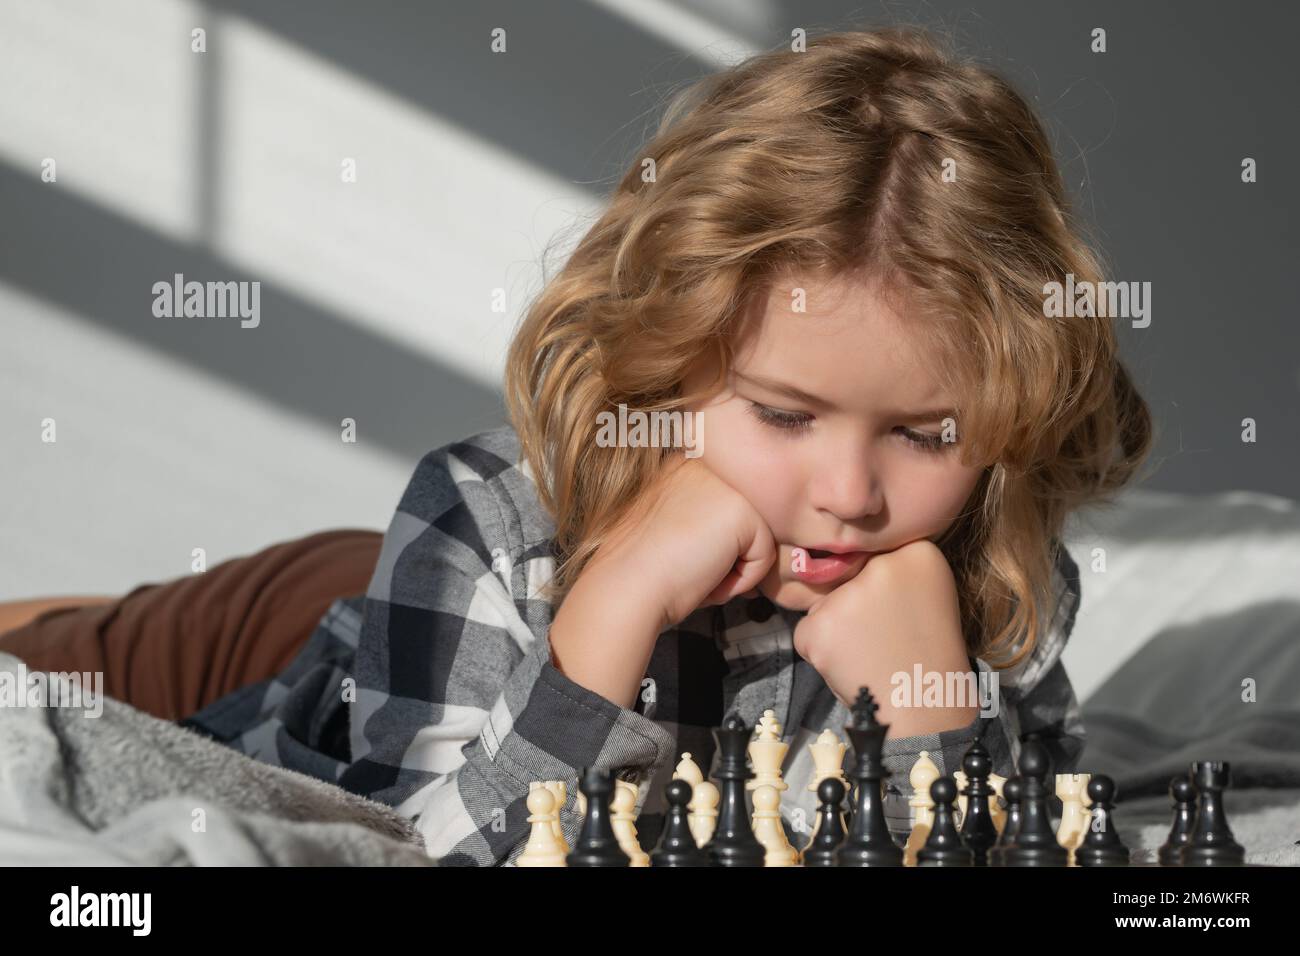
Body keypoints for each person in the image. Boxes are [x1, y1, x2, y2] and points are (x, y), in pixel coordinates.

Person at [0, 26, 1152, 865]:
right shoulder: (485, 515)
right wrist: (606, 619)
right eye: (784, 415)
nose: (849, 495)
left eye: (922, 433)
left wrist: (928, 712)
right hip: (312, 633)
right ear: (665, 354)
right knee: (43, 662)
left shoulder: (997, 559)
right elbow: (420, 851)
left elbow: (1016, 838)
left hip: (402, 601)